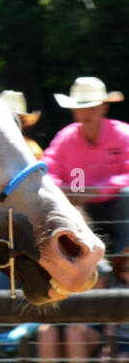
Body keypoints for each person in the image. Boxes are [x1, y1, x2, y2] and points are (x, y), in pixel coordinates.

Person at [43, 77, 129, 257]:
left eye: (91, 107)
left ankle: (123, 260)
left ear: (104, 108)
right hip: (77, 206)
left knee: (126, 195)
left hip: (117, 204)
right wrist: (66, 190)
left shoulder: (123, 134)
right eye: (80, 108)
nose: (85, 113)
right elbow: (48, 170)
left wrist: (99, 190)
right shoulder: (65, 137)